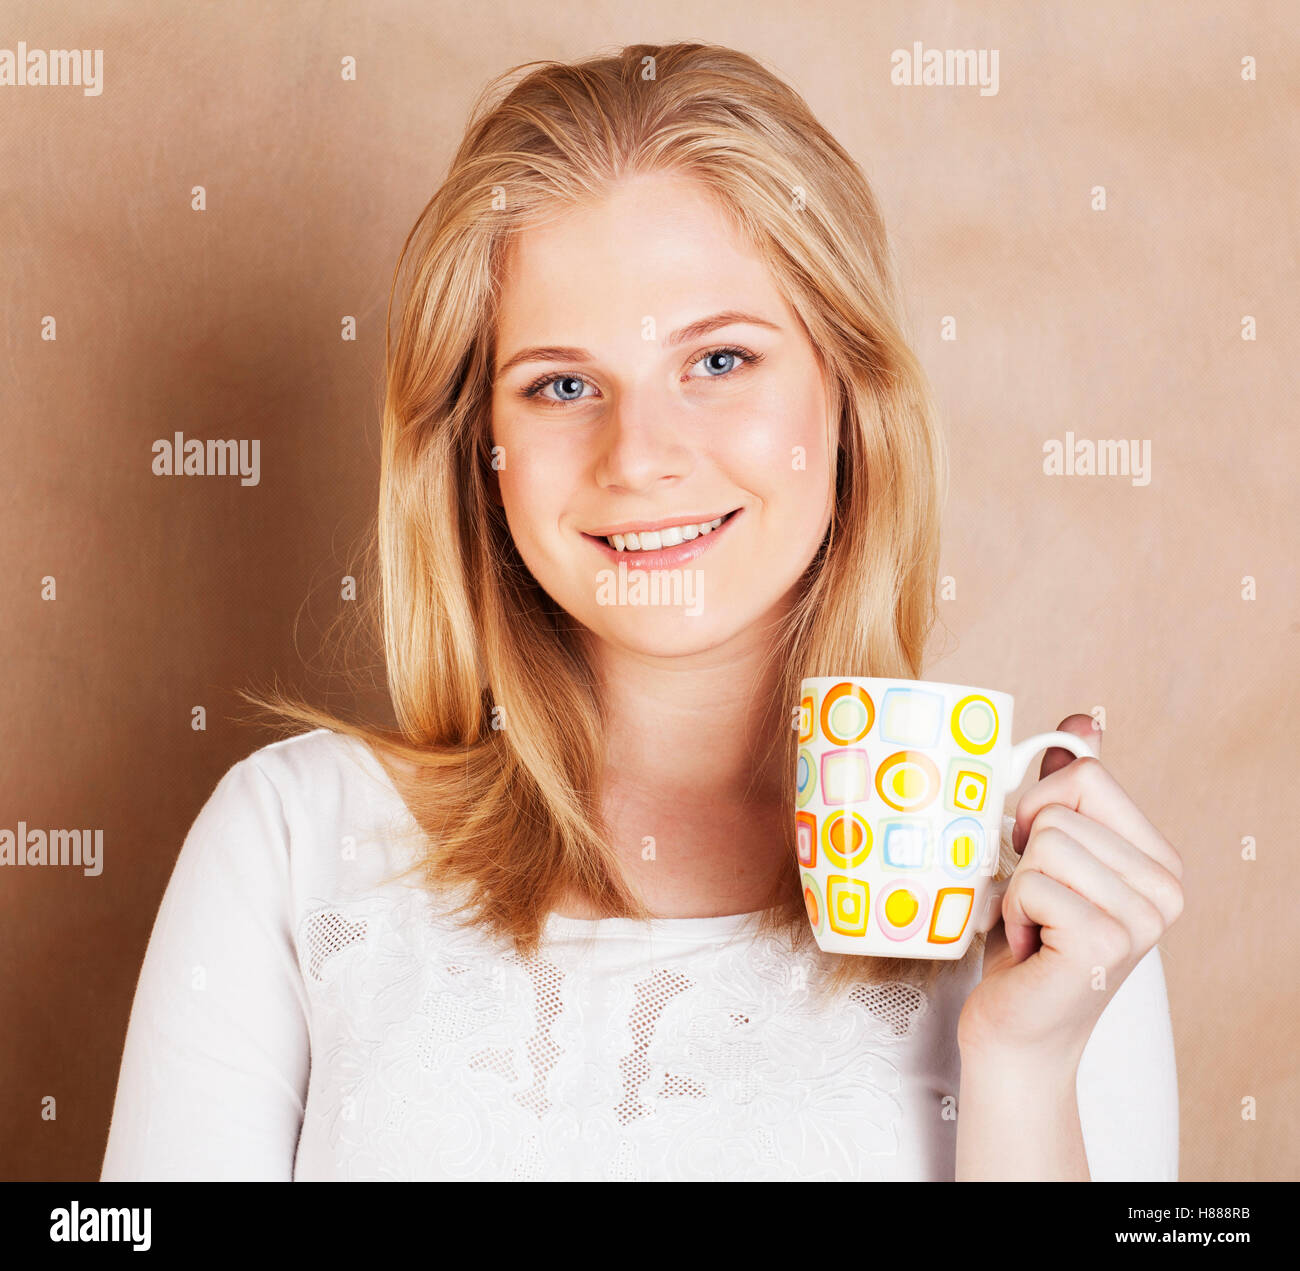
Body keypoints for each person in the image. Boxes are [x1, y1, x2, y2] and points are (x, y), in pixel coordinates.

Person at [101, 41, 1182, 1182]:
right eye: (562, 384)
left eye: (719, 359)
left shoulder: (1055, 910)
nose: (642, 455)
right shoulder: (289, 846)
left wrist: (1020, 1068)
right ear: (483, 451)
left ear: (848, 397)